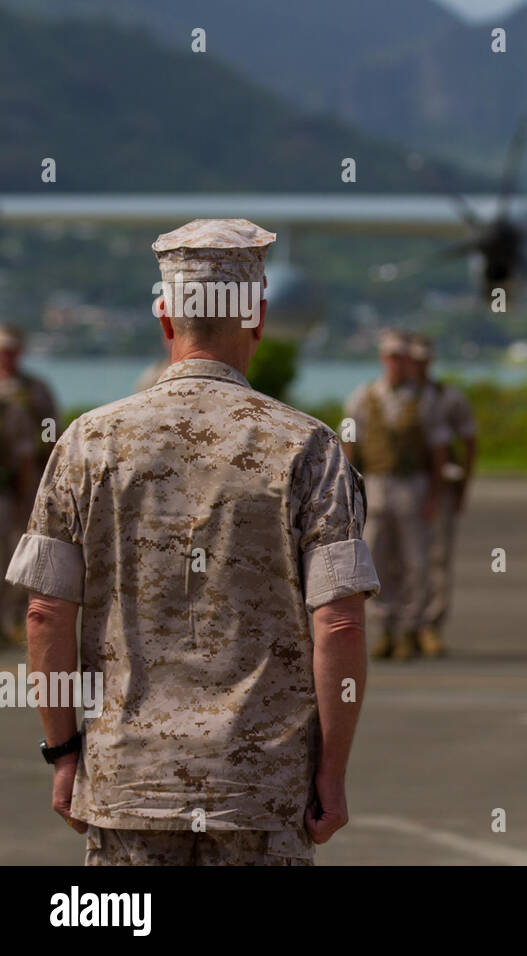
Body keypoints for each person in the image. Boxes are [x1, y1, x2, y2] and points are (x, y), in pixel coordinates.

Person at [6, 218, 379, 864]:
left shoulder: (87, 443)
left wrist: (64, 755)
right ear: (257, 318)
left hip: (128, 784)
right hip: (260, 791)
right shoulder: (310, 449)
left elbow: (45, 613)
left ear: (166, 320)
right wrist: (332, 774)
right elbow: (340, 624)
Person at [343, 331, 447, 661]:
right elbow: (350, 444)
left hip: (412, 484)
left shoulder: (427, 401)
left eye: (400, 358)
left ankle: (410, 627)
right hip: (375, 483)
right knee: (377, 557)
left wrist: (434, 496)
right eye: (389, 357)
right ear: (382, 359)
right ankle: (385, 626)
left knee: (415, 560)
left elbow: (438, 452)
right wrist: (348, 491)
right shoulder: (363, 397)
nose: (395, 363)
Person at [409, 333, 476, 656]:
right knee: (399, 559)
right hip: (401, 483)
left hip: (440, 486)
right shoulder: (385, 397)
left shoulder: (448, 398)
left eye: (423, 360)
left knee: (436, 558)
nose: (418, 366)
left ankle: (430, 625)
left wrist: (464, 486)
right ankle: (402, 625)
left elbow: (469, 441)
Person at [0, 324, 54, 644]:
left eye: (11, 348)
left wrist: (47, 468)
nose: (6, 355)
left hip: (23, 483)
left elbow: (50, 429)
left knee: (18, 553)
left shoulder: (34, 389)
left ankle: (16, 619)